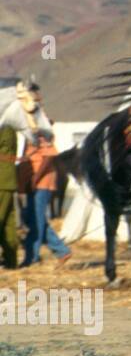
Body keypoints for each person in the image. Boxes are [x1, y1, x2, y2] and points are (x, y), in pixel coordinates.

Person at [15, 83, 71, 265]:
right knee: (32, 217)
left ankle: (32, 257)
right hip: (34, 179)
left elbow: (48, 157)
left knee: (36, 220)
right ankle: (61, 251)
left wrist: (36, 178)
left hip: (42, 180)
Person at [0, 125, 19, 269]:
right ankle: (11, 261)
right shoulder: (9, 125)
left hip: (1, 179)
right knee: (8, 223)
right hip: (7, 179)